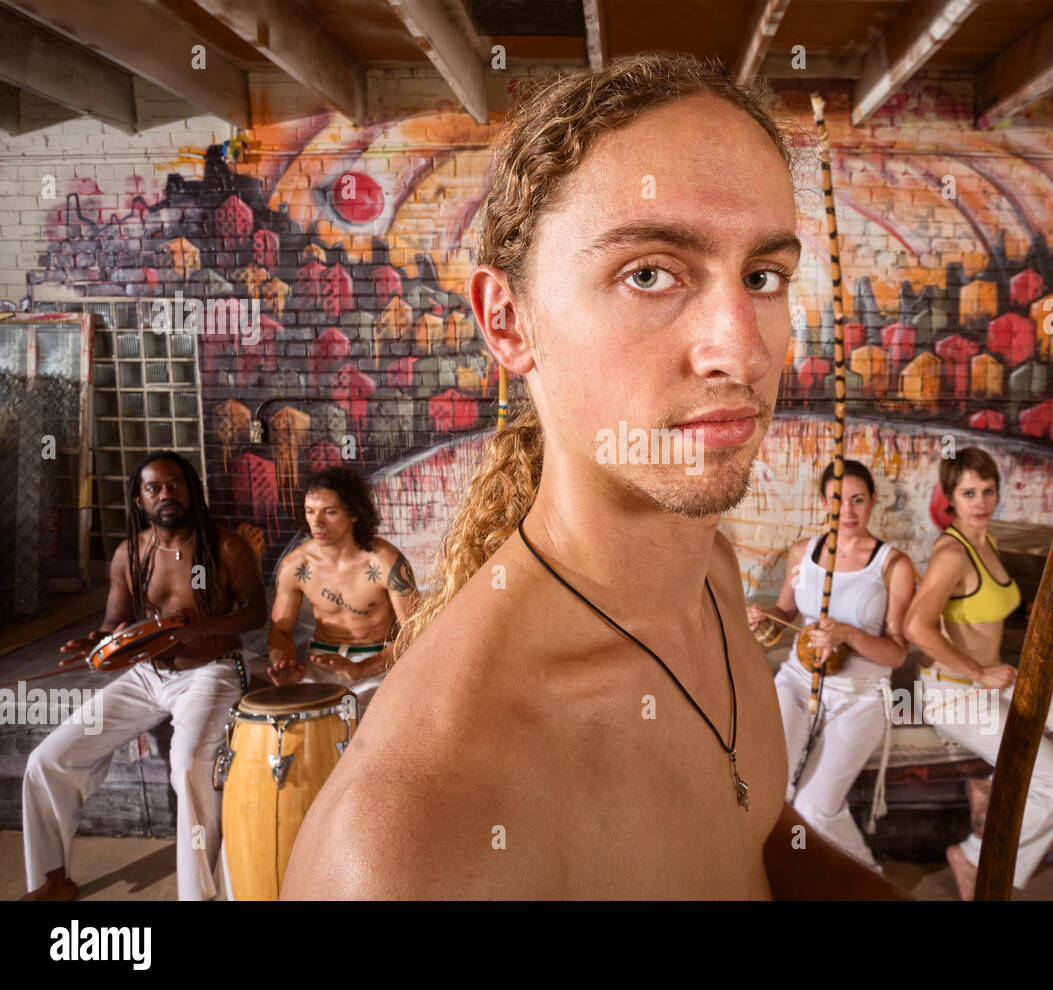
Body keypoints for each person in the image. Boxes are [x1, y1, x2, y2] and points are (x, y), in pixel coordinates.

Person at [282, 53, 909, 899]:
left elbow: (748, 835)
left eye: (762, 277)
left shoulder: (715, 581)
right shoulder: (412, 835)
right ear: (508, 323)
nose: (743, 350)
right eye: (649, 273)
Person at [22, 451, 266, 900]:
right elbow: (116, 621)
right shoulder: (129, 553)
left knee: (189, 764)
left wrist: (204, 626)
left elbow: (256, 614)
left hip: (210, 672)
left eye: (175, 485)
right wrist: (96, 641)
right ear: (139, 498)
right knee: (47, 759)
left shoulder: (227, 546)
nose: (166, 495)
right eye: (154, 488)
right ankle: (52, 879)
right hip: (146, 675)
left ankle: (200, 894)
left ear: (191, 490)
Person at [903, 446, 1053, 899]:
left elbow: (982, 611)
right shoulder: (953, 553)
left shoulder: (985, 541)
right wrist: (977, 670)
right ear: (949, 498)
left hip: (992, 681)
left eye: (987, 490)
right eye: (969, 492)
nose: (980, 501)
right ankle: (974, 855)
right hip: (955, 692)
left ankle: (996, 791)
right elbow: (915, 625)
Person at [748, 459, 915, 871]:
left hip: (859, 698)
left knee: (816, 808)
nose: (849, 511)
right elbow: (786, 610)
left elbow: (897, 653)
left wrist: (851, 635)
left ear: (874, 501)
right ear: (824, 501)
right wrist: (764, 617)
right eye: (838, 500)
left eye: (859, 500)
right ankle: (795, 877)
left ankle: (871, 882)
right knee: (773, 788)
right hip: (798, 682)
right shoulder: (805, 552)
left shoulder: (893, 565)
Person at [265, 467, 419, 716]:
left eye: (330, 512)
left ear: (354, 514)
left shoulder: (384, 562)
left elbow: (415, 633)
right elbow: (280, 632)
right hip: (320, 665)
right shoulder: (296, 565)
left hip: (378, 665)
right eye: (310, 512)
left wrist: (364, 668)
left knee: (365, 736)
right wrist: (284, 662)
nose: (317, 522)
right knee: (296, 733)